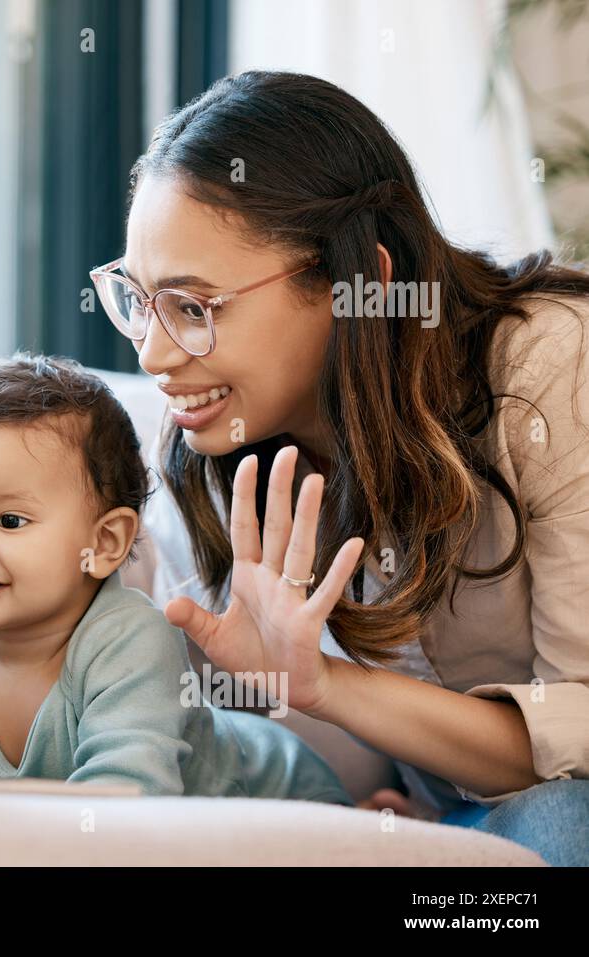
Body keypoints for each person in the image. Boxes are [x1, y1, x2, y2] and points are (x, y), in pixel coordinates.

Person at [89, 70, 589, 864]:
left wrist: (327, 685)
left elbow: (584, 735)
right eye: (138, 301)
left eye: (192, 307)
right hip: (443, 830)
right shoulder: (212, 444)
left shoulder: (553, 367)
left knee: (569, 819)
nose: (152, 354)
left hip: (558, 824)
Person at [0, 353, 352, 804]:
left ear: (105, 543)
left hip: (282, 794)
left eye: (9, 520)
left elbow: (123, 807)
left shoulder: (132, 644)